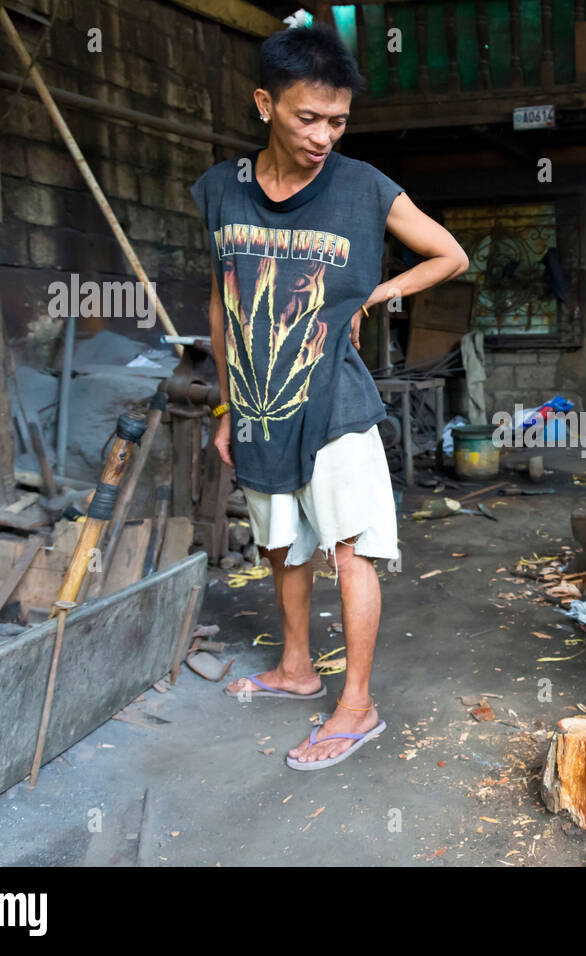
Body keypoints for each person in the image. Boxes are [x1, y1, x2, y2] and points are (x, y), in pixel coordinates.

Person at [189, 24, 468, 771]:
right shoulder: (224, 190)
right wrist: (225, 404)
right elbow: (221, 304)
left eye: (337, 121)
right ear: (264, 103)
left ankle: (358, 705)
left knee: (350, 551)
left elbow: (450, 254)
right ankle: (296, 669)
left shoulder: (365, 187)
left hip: (336, 400)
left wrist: (384, 288)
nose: (322, 136)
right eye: (307, 118)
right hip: (256, 402)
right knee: (282, 543)